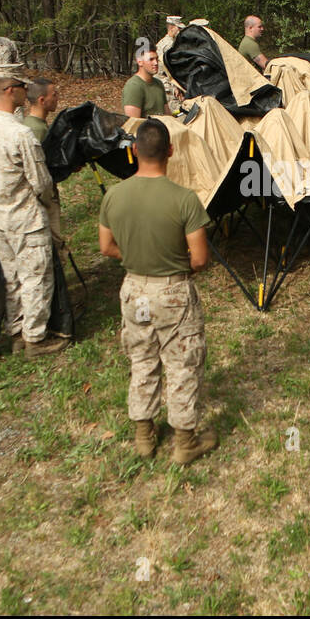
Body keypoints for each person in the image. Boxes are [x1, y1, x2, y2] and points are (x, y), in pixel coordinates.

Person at [98, 119, 215, 465]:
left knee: (142, 359)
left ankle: (144, 437)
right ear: (171, 152)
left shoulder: (114, 196)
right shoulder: (185, 200)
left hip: (134, 290)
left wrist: (136, 257)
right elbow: (200, 258)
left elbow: (106, 247)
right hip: (173, 292)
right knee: (181, 365)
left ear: (134, 151)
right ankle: (184, 442)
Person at [0, 66, 68, 357]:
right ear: (8, 90)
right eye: (20, 86)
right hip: (27, 218)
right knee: (36, 277)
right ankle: (35, 340)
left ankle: (16, 332)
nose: (25, 91)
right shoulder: (21, 134)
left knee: (12, 277)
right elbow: (41, 182)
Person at [23, 77, 64, 245]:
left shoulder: (35, 124)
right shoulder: (36, 130)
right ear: (42, 100)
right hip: (42, 199)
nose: (57, 98)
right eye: (54, 95)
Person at [122, 49, 169, 118]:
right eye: (151, 59)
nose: (156, 63)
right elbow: (133, 123)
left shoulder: (159, 83)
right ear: (140, 62)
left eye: (156, 59)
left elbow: (167, 115)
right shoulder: (133, 86)